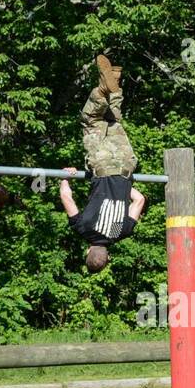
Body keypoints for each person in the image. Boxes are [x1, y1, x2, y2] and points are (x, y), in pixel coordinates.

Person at [60, 55, 146, 273]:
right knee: (91, 121)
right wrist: (65, 178)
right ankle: (101, 90)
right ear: (88, 252)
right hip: (103, 164)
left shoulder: (122, 231)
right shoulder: (83, 229)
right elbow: (66, 198)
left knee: (113, 123)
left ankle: (115, 89)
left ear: (108, 257)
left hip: (125, 166)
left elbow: (139, 200)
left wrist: (123, 186)